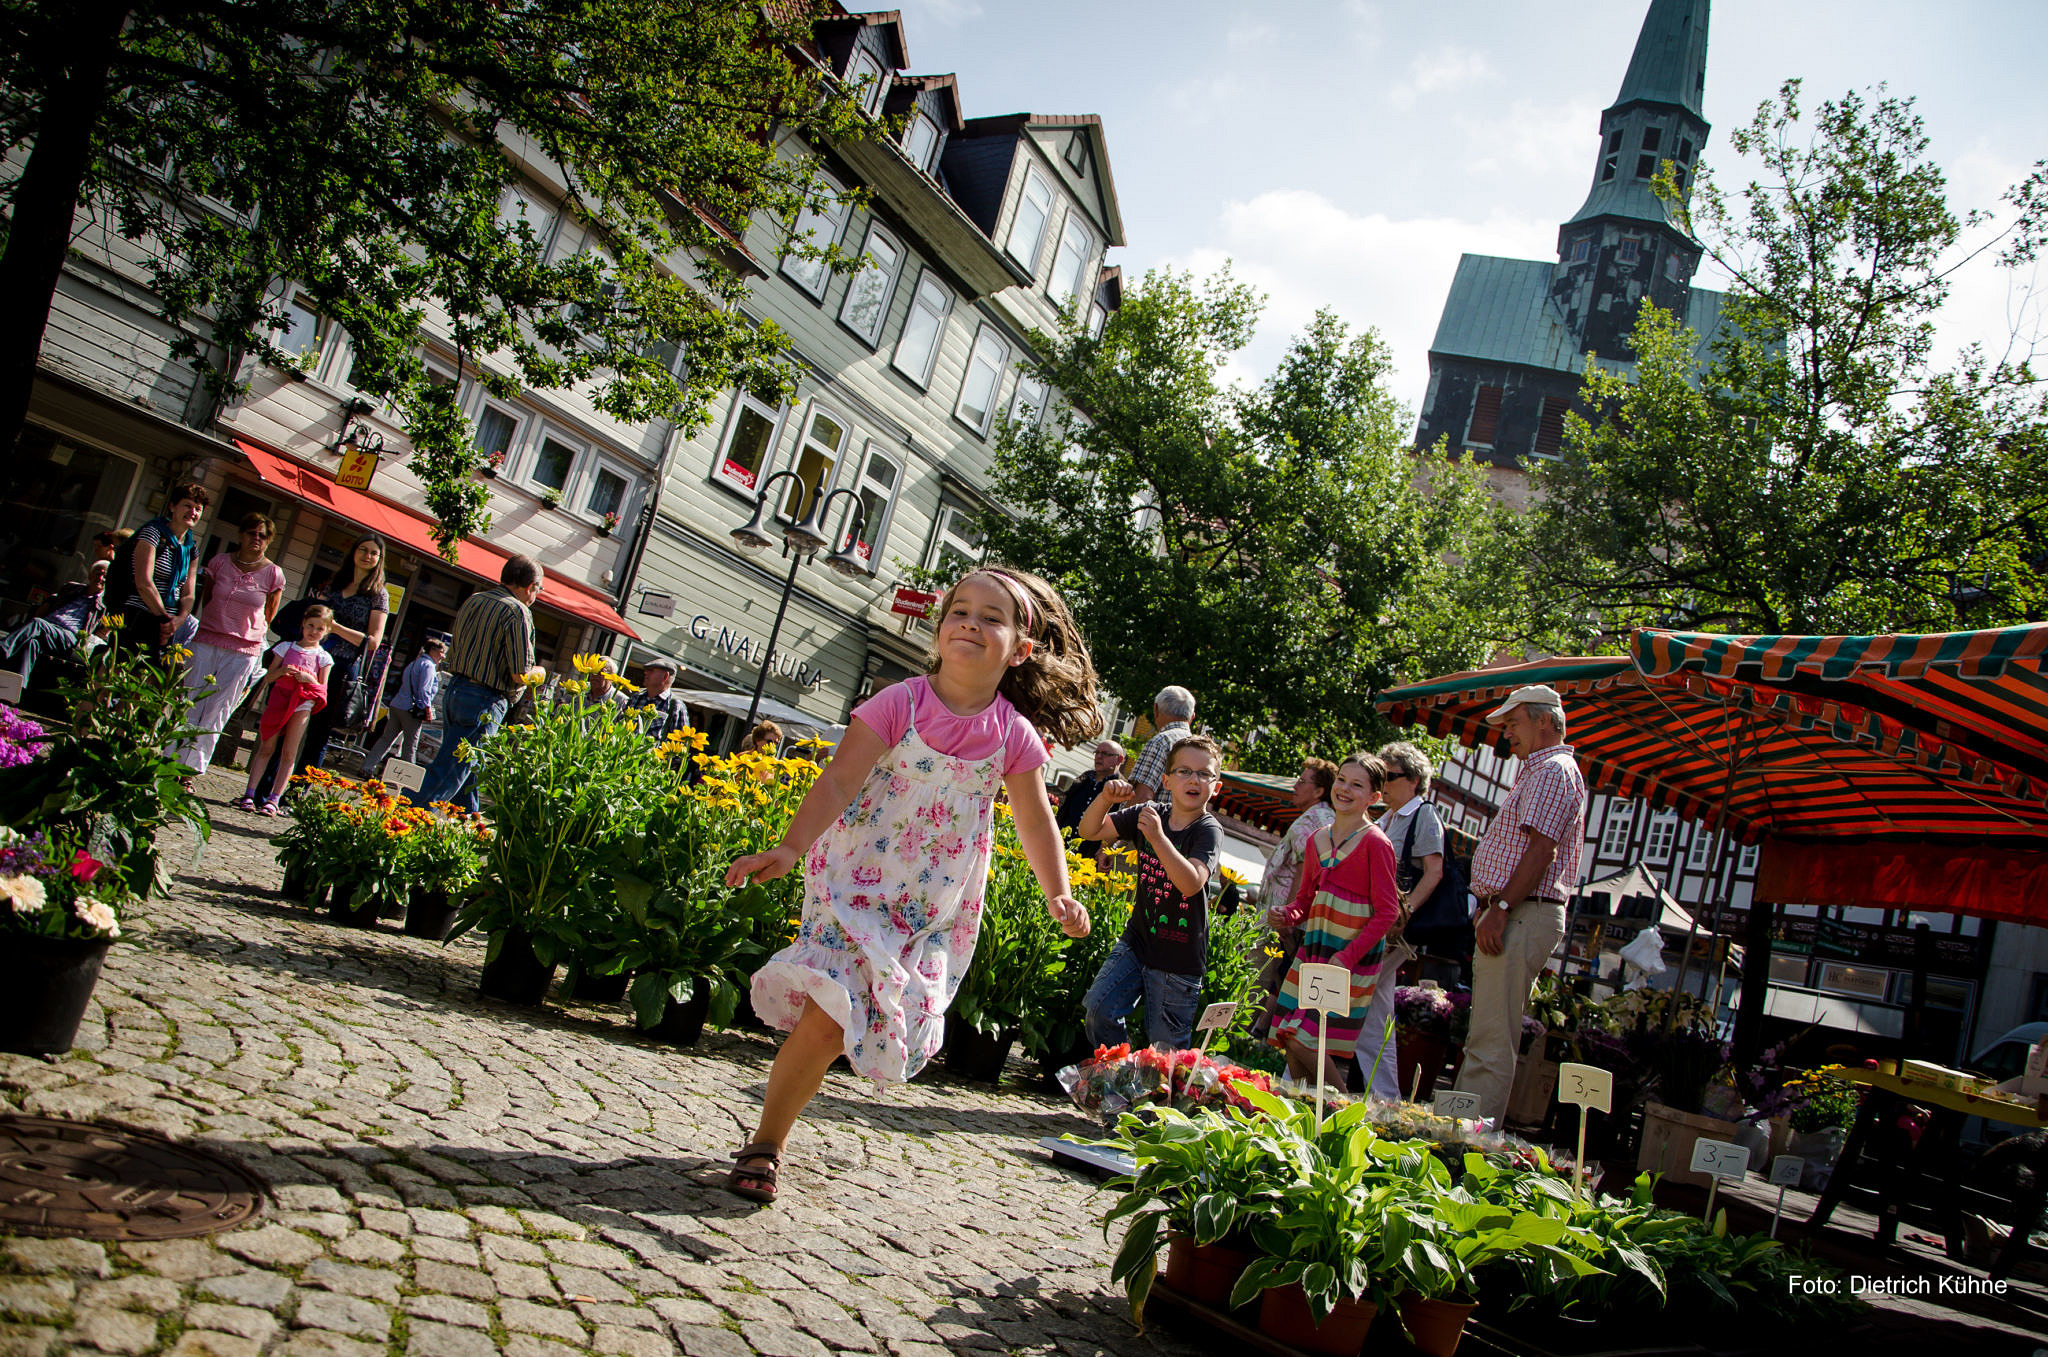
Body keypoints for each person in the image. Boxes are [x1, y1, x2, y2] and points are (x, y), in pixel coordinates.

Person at [720, 567, 1100, 1204]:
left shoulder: (1015, 735)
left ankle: (778, 1126)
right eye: (960, 612)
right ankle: (766, 1143)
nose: (971, 624)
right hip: (855, 883)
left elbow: (1037, 822)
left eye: (991, 617)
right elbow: (839, 781)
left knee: (856, 1020)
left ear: (1021, 650)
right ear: (940, 626)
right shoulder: (900, 702)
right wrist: (789, 847)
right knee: (825, 1015)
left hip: (928, 908)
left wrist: (1058, 891)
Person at [1451, 685, 1586, 1122]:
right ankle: (1464, 1130)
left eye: (1513, 722)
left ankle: (1466, 1140)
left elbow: (1540, 850)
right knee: (1488, 1032)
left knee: (1491, 1037)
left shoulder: (1552, 771)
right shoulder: (1543, 770)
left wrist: (1501, 908)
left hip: (1523, 912)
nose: (1506, 732)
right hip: (1519, 911)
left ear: (1544, 720)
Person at [1077, 733, 1227, 1053]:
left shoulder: (1207, 829)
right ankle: (1126, 1079)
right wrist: (1105, 798)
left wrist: (1158, 838)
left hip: (1179, 960)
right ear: (1167, 780)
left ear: (1217, 786)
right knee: (1098, 1010)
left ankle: (1153, 1097)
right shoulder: (1149, 812)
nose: (1194, 779)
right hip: (1137, 942)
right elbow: (1089, 830)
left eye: (1204, 774)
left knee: (1167, 1050)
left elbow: (1191, 883)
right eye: (1184, 771)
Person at [1268, 752, 1401, 1088]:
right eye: (1341, 779)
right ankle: (1299, 1117)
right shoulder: (1317, 839)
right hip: (1314, 950)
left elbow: (1388, 912)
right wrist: (1287, 914)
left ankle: (1342, 1112)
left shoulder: (1376, 843)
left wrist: (1348, 957)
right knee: (1290, 1038)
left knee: (1305, 1038)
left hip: (1348, 958)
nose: (1344, 788)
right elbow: (1306, 899)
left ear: (1373, 798)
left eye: (1356, 785)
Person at [418, 555, 546, 814]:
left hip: (455, 690)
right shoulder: (517, 610)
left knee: (469, 770)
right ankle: (404, 819)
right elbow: (520, 673)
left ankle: (467, 824)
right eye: (539, 589)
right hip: (485, 699)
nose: (537, 595)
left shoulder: (474, 599)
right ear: (531, 585)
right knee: (449, 771)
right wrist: (540, 672)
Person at [1354, 742, 1446, 1098]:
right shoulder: (1388, 818)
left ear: (1414, 779)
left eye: (1390, 776)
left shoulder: (1422, 815)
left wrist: (1403, 912)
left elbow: (1433, 871)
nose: (1384, 782)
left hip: (1393, 930)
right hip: (1380, 925)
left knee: (1356, 998)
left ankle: (1374, 1093)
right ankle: (1385, 1097)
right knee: (1375, 1014)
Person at [173, 513, 286, 777]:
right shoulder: (219, 562)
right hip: (207, 639)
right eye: (251, 533)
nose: (255, 539)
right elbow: (208, 597)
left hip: (243, 649)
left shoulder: (274, 574)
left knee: (217, 710)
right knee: (189, 703)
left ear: (268, 541)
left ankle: (191, 771)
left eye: (262, 535)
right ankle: (171, 762)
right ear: (241, 534)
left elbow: (269, 613)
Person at [1252, 758, 1337, 1039]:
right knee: (1280, 980)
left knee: (1259, 976)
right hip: (1287, 916)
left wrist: (1288, 914)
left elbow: (1306, 867)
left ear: (1319, 791)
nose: (1295, 785)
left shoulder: (1314, 819)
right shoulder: (1321, 817)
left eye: (1303, 781)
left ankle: (1236, 1038)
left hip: (1281, 919)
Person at [293, 535, 390, 773]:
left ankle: (297, 790)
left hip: (343, 666)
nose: (367, 556)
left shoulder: (378, 595)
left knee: (319, 731)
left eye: (373, 553)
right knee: (292, 721)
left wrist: (334, 626)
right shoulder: (335, 584)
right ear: (354, 552)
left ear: (379, 559)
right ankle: (270, 788)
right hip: (312, 660)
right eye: (363, 550)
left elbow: (373, 641)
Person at [236, 606, 334, 815]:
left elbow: (322, 689)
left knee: (289, 752)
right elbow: (269, 677)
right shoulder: (285, 648)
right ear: (303, 624)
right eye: (310, 625)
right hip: (279, 702)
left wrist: (309, 679)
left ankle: (274, 798)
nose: (313, 631)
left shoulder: (323, 658)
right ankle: (249, 793)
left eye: (319, 628)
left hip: (302, 705)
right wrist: (282, 671)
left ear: (326, 631)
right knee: (266, 747)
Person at [0, 529, 127, 687]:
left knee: (38, 624)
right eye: (98, 573)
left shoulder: (105, 603)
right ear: (89, 575)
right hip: (48, 630)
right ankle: (14, 691)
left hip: (71, 637)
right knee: (32, 643)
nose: (100, 578)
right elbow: (53, 598)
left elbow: (107, 628)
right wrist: (48, 602)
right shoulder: (72, 589)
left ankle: (2, 649)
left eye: (105, 576)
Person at [114, 483, 208, 650]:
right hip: (138, 615)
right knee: (121, 670)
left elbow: (188, 594)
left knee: (151, 674)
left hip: (168, 625)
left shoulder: (190, 548)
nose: (193, 512)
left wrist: (179, 619)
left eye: (198, 509)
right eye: (187, 505)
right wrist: (164, 618)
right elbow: (143, 582)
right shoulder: (153, 534)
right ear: (172, 506)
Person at [361, 634, 446, 775]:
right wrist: (427, 709)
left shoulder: (414, 663)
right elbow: (424, 690)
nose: (443, 656)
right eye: (441, 652)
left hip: (397, 705)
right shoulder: (429, 667)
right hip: (411, 710)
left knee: (386, 739)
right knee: (410, 745)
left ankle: (367, 767)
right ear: (432, 650)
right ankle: (407, 779)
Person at [1125, 685, 1195, 803]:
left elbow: (1141, 797)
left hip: (1148, 820)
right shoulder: (1199, 748)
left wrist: (1120, 821)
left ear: (1156, 709)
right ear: (1192, 717)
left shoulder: (1161, 742)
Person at [1056, 739, 1127, 842]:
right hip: (1063, 842)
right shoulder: (1083, 780)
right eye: (1097, 752)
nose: (1099, 756)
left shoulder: (1121, 790)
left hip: (1091, 852)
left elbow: (1119, 826)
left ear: (1119, 760)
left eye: (1105, 753)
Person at [624, 655, 690, 739]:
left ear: (665, 676)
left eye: (651, 671)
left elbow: (682, 741)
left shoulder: (675, 705)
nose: (645, 673)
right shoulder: (636, 698)